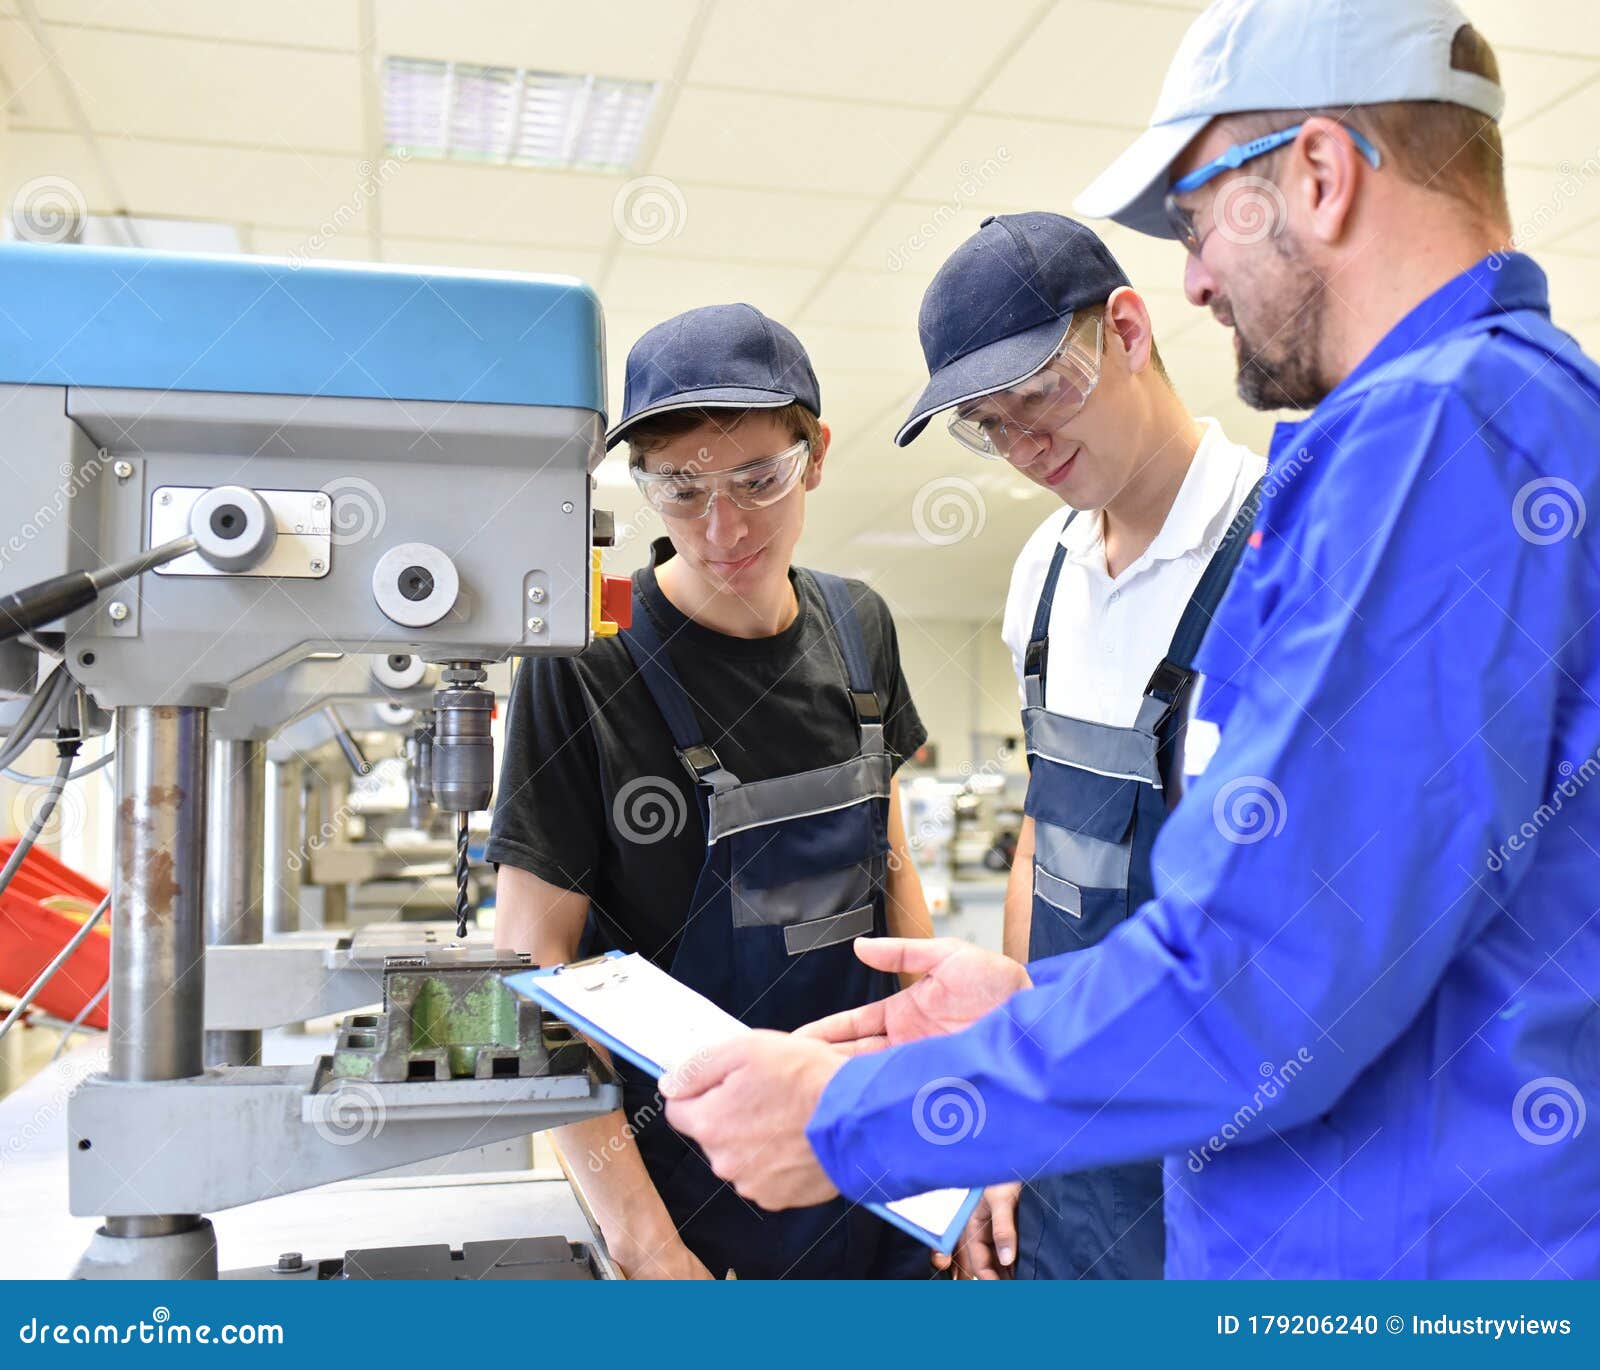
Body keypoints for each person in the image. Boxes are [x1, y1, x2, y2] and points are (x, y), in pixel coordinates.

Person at [661, 0, 1600, 1278]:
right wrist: (1038, 1006)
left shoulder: (1444, 437)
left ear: (1319, 176)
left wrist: (851, 1120)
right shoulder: (1459, 432)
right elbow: (1356, 931)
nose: (1198, 279)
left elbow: (1264, 974)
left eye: (1197, 219)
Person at [487, 303, 935, 1280]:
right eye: (679, 490)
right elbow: (530, 960)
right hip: (695, 1208)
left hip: (875, 1167)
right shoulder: (585, 666)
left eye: (758, 480)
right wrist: (644, 1241)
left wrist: (946, 1130)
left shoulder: (859, 625)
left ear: (814, 453)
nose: (721, 528)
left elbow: (891, 871)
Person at [892, 211, 1265, 1279]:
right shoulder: (1041, 575)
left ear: (1131, 331)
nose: (1028, 447)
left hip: (1227, 1130)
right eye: (990, 425)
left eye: (1043, 394)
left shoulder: (1278, 554)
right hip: (1070, 1128)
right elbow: (1043, 843)